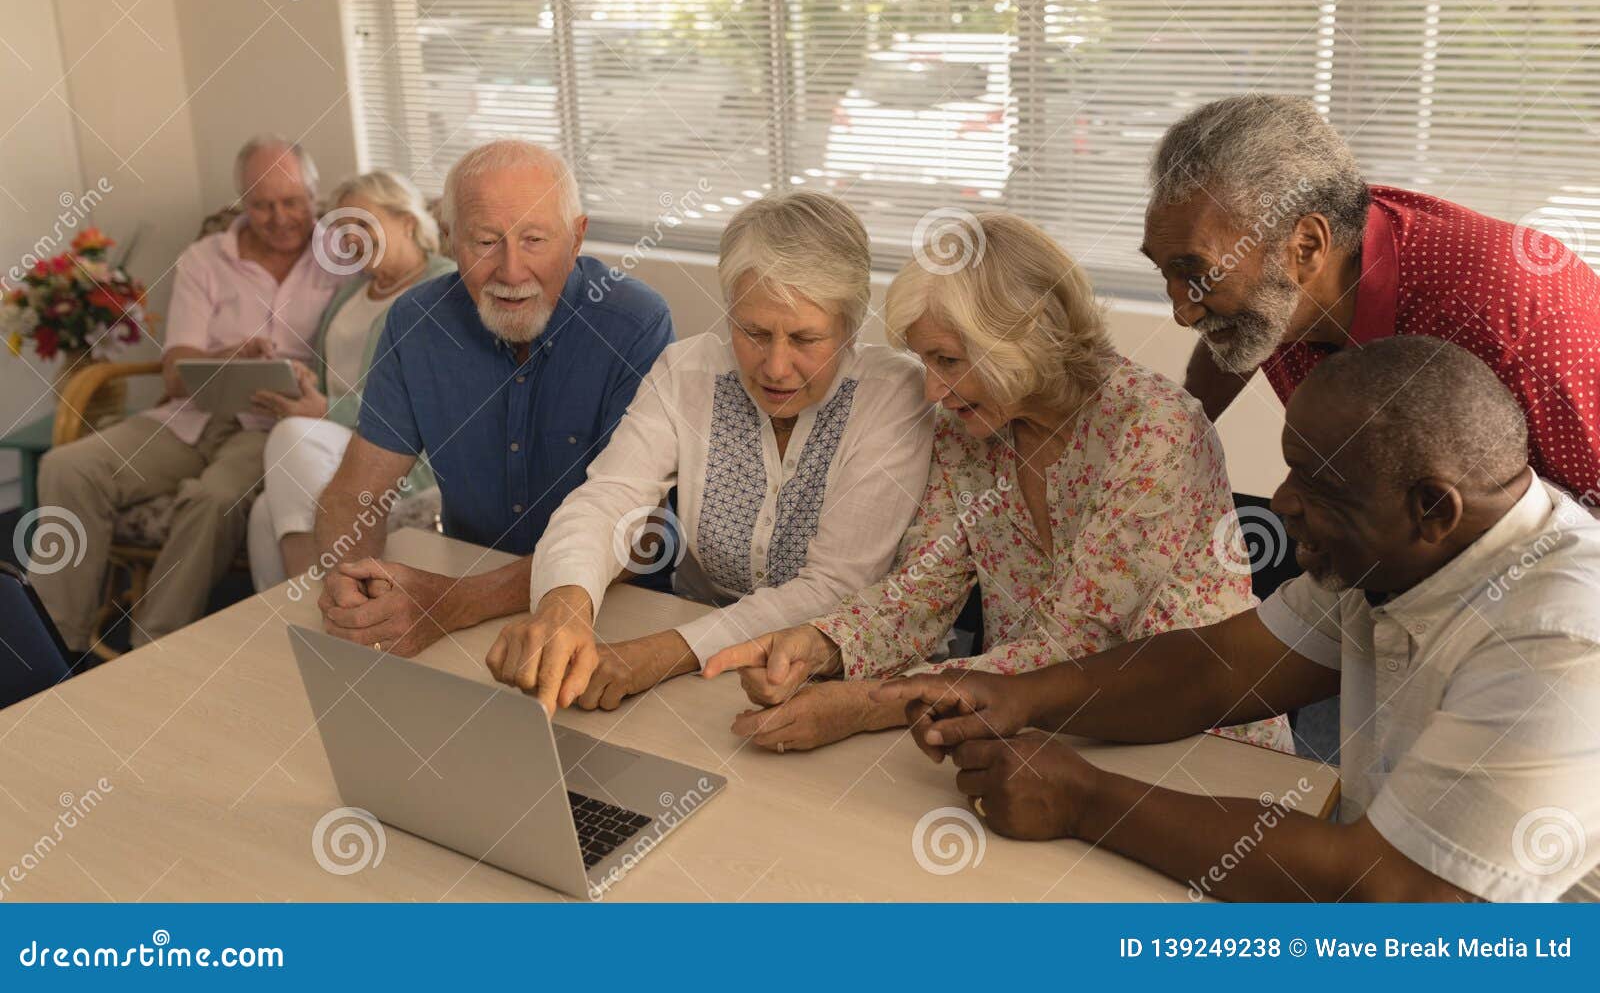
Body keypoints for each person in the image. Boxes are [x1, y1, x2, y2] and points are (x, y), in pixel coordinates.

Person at [879, 336, 1600, 903]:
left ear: (1433, 510)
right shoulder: (1394, 555)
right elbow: (1215, 667)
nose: (1282, 503)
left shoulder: (1563, 635)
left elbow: (1391, 889)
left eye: (1317, 485)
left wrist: (1080, 797)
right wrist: (1024, 693)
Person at [703, 213, 1290, 753]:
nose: (931, 390)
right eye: (925, 361)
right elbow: (920, 591)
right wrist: (818, 645)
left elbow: (1077, 645)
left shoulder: (1155, 432)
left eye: (949, 361)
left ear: (1023, 343)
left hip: (1200, 744)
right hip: (1036, 736)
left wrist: (866, 705)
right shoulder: (970, 428)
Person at [485, 192, 934, 712]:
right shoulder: (686, 371)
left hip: (835, 683)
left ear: (852, 329)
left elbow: (835, 588)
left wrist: (663, 653)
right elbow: (608, 499)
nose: (775, 367)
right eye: (754, 331)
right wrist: (564, 604)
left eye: (806, 338)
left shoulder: (896, 395)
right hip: (692, 683)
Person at [1140, 93, 1600, 503]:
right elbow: (1230, 333)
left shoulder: (1508, 322)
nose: (1183, 313)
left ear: (1307, 247)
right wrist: (1182, 435)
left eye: (1198, 274)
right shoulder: (1287, 259)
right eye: (1168, 274)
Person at [310, 140, 672, 657]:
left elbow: (640, 533)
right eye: (484, 241)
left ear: (576, 238)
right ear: (449, 239)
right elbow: (357, 493)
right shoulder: (415, 323)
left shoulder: (635, 323)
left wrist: (454, 603)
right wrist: (349, 581)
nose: (511, 270)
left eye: (535, 239)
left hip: (613, 610)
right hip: (465, 599)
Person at [33, 136, 343, 653]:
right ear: (240, 202)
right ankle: (51, 648)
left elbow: (363, 352)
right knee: (66, 466)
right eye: (262, 204)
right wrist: (232, 355)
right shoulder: (205, 258)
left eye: (293, 201)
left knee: (211, 499)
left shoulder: (342, 259)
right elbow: (175, 374)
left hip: (273, 427)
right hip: (190, 414)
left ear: (316, 195)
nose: (279, 217)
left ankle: (152, 648)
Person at [245, 171, 454, 589]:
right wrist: (306, 386)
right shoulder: (350, 292)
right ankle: (282, 630)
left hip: (398, 449)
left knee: (289, 436)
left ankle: (320, 597)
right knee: (264, 511)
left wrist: (328, 410)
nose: (351, 237)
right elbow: (338, 376)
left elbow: (429, 395)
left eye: (363, 222)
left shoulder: (442, 287)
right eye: (342, 228)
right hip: (336, 434)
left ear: (406, 221)